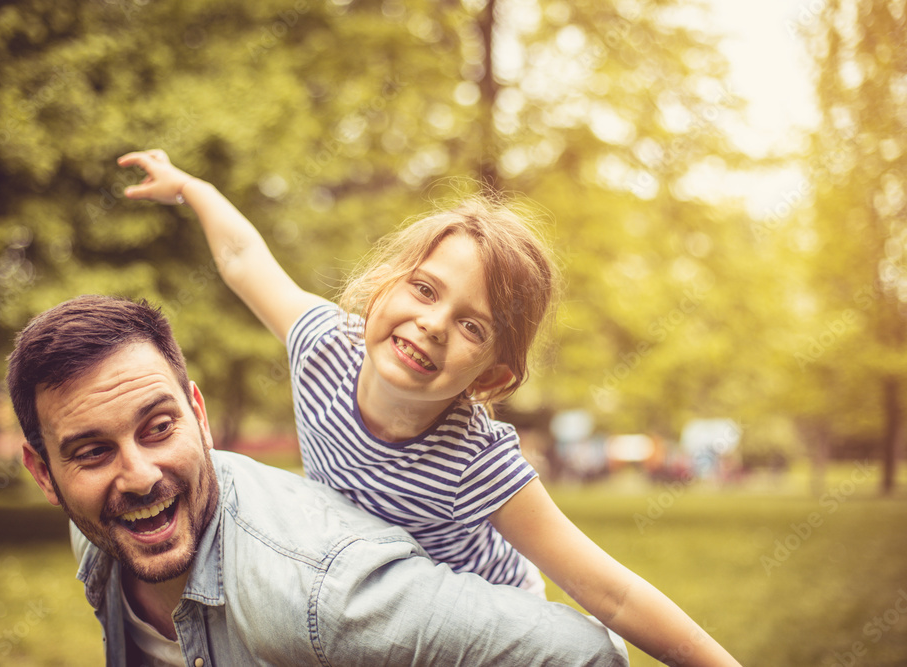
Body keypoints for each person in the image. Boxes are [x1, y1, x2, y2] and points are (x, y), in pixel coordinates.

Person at [118, 149, 742, 666]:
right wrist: (191, 188)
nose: (433, 324)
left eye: (472, 325)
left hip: (472, 616)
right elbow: (242, 259)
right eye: (424, 289)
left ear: (491, 374)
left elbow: (611, 593)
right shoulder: (321, 346)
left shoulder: (475, 460)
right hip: (359, 586)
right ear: (385, 284)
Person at [11, 294, 630, 666]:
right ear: (47, 474)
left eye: (158, 427)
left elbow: (583, 652)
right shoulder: (97, 533)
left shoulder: (322, 591)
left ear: (198, 414)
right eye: (92, 453)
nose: (139, 477)